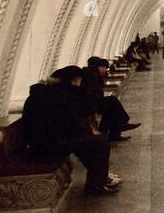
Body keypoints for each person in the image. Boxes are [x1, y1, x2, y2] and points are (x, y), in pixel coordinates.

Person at [21, 65, 122, 196]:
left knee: (86, 143)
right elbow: (71, 121)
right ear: (74, 80)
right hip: (46, 146)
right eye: (79, 80)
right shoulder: (60, 96)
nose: (80, 84)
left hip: (40, 142)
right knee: (100, 142)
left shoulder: (45, 93)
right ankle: (97, 185)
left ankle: (101, 179)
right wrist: (90, 131)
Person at [83, 56, 140, 141]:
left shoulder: (90, 75)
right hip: (89, 105)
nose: (105, 70)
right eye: (102, 67)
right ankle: (120, 126)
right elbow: (91, 95)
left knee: (111, 107)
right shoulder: (92, 76)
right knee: (112, 102)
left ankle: (113, 132)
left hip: (92, 103)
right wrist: (93, 110)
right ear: (96, 67)